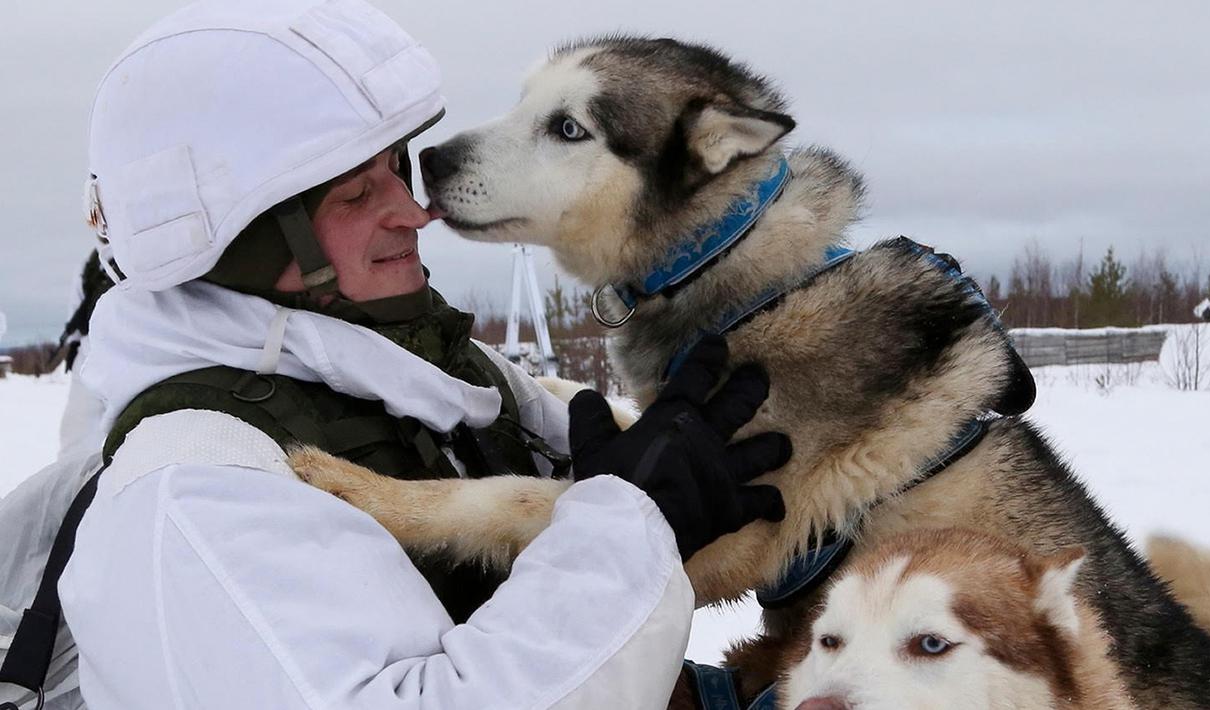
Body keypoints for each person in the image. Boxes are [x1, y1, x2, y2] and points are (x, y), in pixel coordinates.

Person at [23, 2, 793, 709]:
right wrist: (630, 526)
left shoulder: (417, 370)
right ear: (244, 245)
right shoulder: (195, 490)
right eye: (355, 199)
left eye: (394, 168)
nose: (414, 211)